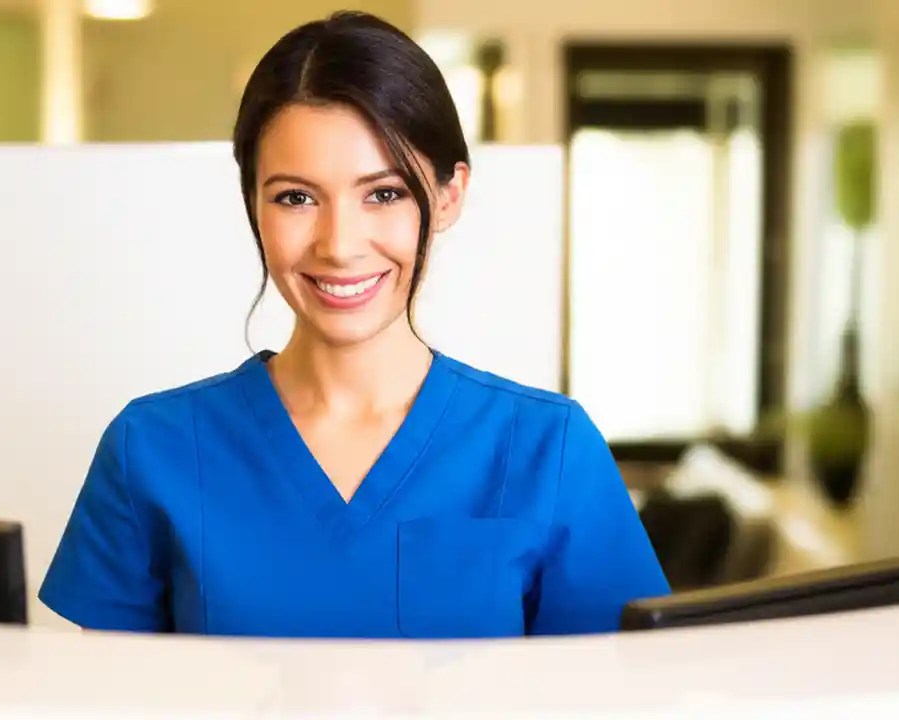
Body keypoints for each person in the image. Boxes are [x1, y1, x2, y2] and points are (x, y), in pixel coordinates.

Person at [39, 11, 669, 638]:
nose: (339, 245)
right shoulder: (150, 450)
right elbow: (115, 700)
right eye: (295, 197)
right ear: (253, 205)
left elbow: (614, 697)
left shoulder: (548, 450)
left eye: (384, 193)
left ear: (449, 196)